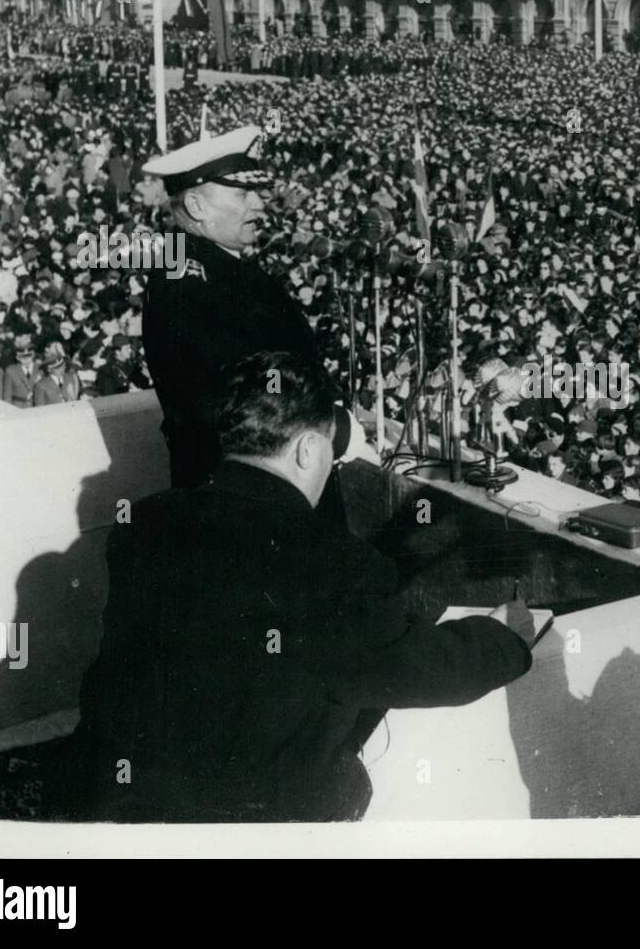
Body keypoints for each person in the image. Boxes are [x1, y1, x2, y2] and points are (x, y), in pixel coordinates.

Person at [62, 351, 537, 822]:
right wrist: (503, 639)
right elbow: (419, 670)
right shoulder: (332, 563)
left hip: (118, 802)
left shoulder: (145, 522)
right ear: (308, 450)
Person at [140, 125, 363, 488]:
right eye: (243, 195)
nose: (259, 204)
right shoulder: (187, 283)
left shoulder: (206, 267)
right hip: (252, 491)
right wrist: (334, 431)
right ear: (197, 206)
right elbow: (233, 396)